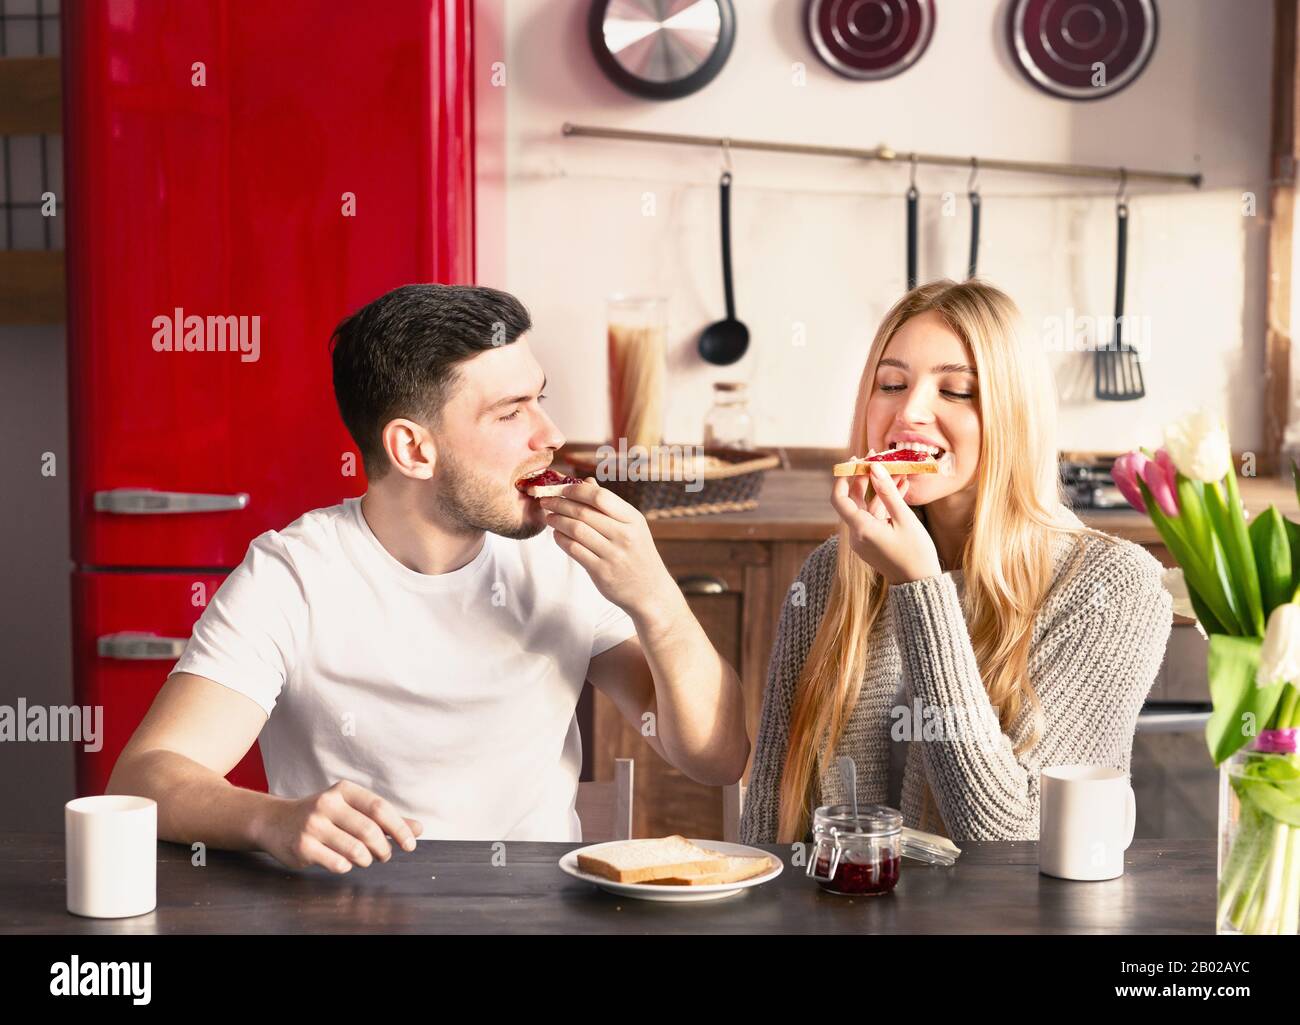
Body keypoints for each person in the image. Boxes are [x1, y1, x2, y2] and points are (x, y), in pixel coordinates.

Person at [108, 283, 749, 871]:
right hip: (351, 913)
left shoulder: (565, 554)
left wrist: (657, 599)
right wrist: (271, 820)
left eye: (540, 399)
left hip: (534, 913)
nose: (550, 435)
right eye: (510, 413)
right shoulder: (293, 575)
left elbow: (717, 758)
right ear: (413, 449)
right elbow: (145, 779)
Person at [740, 279, 1172, 844]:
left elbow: (1012, 837)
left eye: (956, 391)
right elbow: (771, 825)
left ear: (1013, 415)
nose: (910, 411)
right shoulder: (833, 572)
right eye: (891, 383)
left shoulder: (1112, 588)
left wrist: (920, 588)